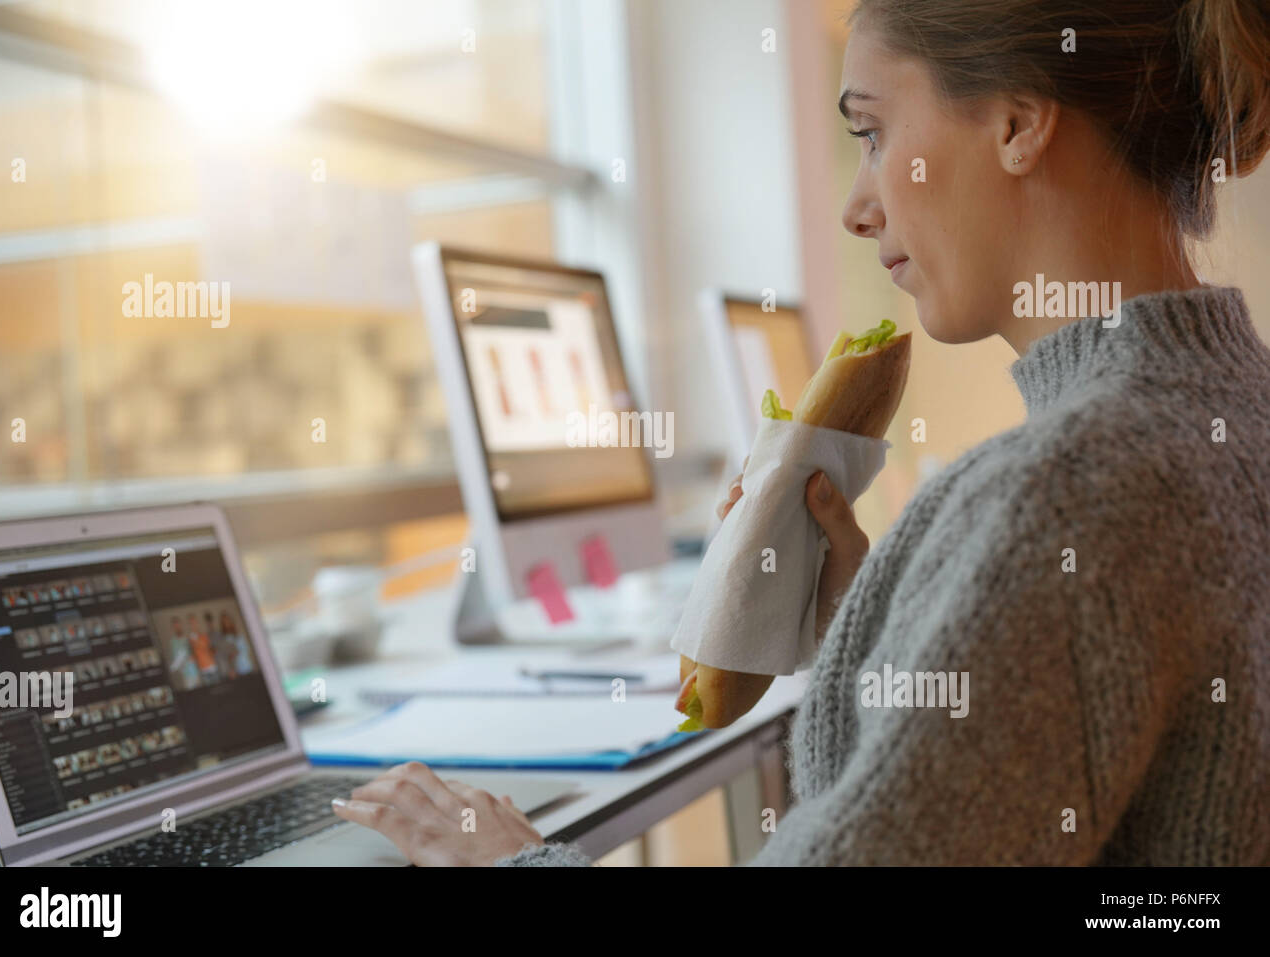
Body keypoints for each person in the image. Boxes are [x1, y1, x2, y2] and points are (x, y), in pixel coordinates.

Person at [332, 0, 1270, 866]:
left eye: (873, 134)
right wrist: (898, 623)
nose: (860, 208)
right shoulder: (1231, 403)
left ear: (1018, 125)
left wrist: (508, 859)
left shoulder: (1058, 492)